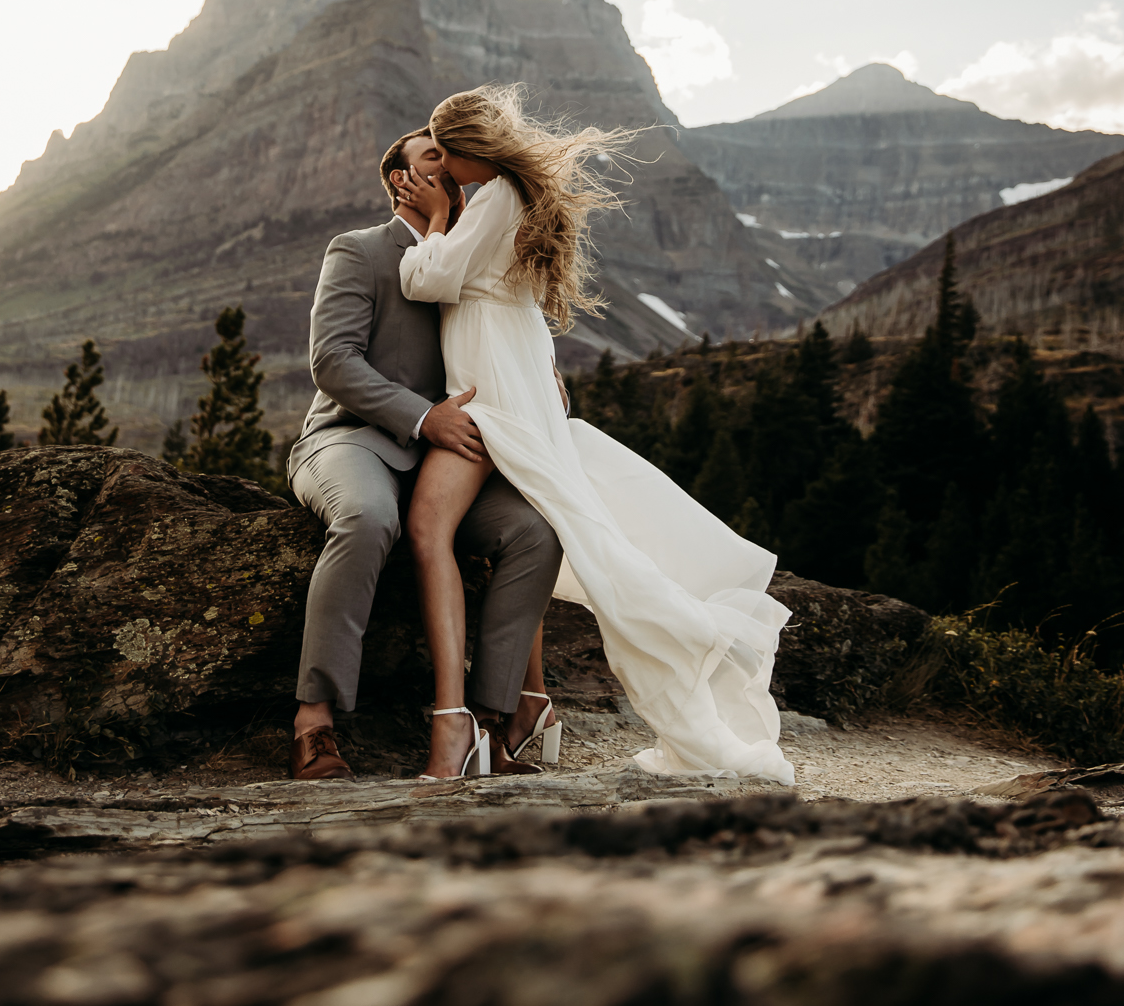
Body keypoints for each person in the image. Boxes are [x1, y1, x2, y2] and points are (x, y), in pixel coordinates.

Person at [398, 84, 795, 786]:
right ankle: (528, 709)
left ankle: (463, 723)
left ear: (464, 152)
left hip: (491, 392)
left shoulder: (488, 198)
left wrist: (429, 224)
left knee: (442, 527)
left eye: (441, 157)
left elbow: (432, 282)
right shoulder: (505, 195)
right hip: (508, 377)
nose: (435, 175)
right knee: (550, 529)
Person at [285, 125, 564, 782]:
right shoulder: (357, 251)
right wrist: (421, 417)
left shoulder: (473, 252)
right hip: (352, 439)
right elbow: (332, 361)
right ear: (400, 182)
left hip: (452, 464)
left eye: (450, 153)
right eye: (430, 156)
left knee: (536, 533)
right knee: (366, 519)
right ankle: (313, 724)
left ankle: (491, 729)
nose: (450, 165)